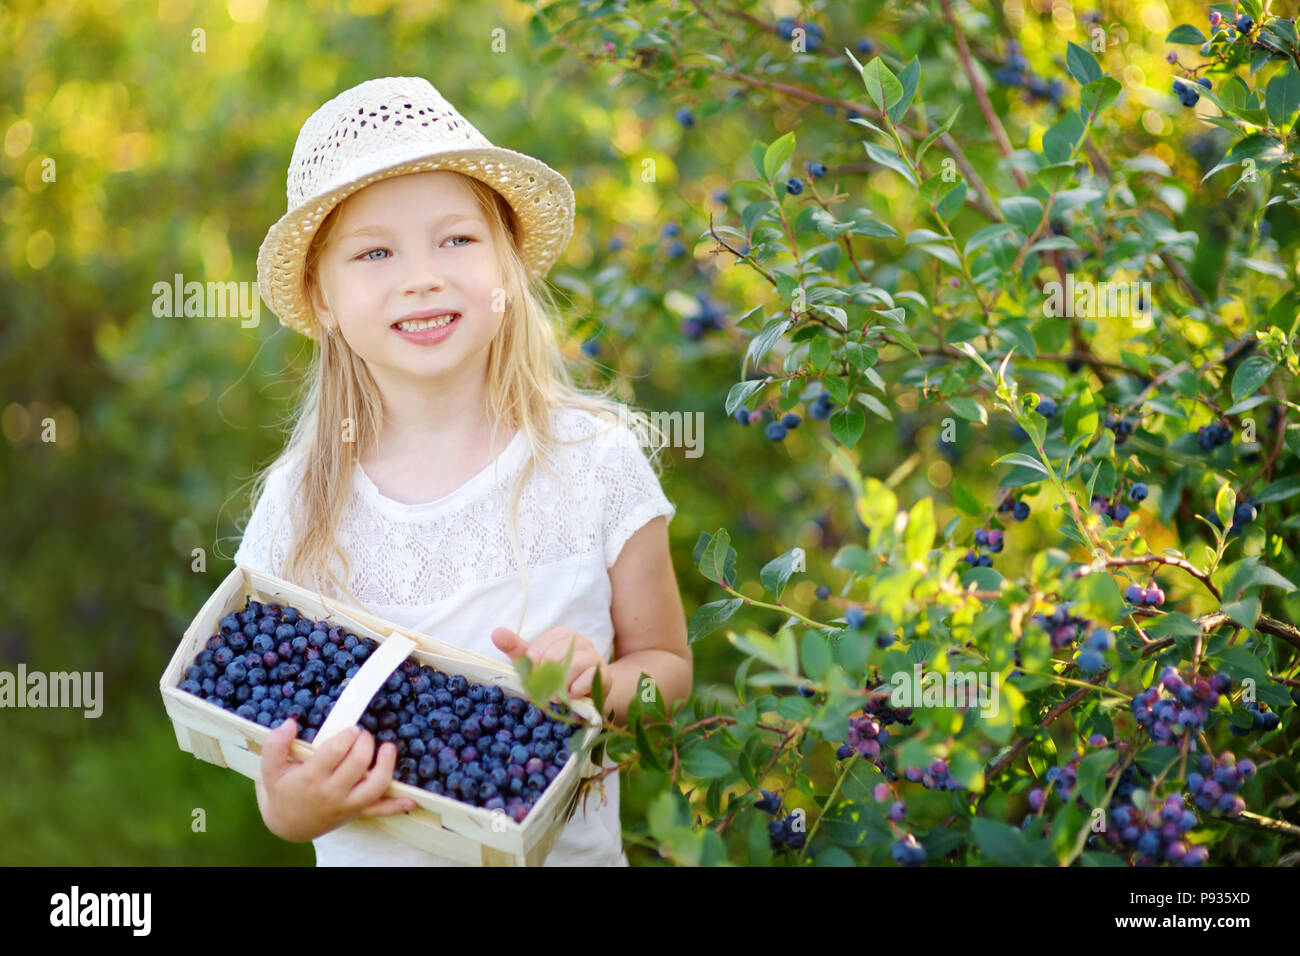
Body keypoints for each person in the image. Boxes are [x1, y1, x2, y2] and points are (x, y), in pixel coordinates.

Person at [233, 76, 692, 865]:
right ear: (324, 298)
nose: (423, 275)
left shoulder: (595, 465)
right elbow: (269, 765)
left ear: (506, 269)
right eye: (375, 252)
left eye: (457, 239)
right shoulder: (301, 505)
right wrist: (295, 805)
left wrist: (598, 690)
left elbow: (668, 669)